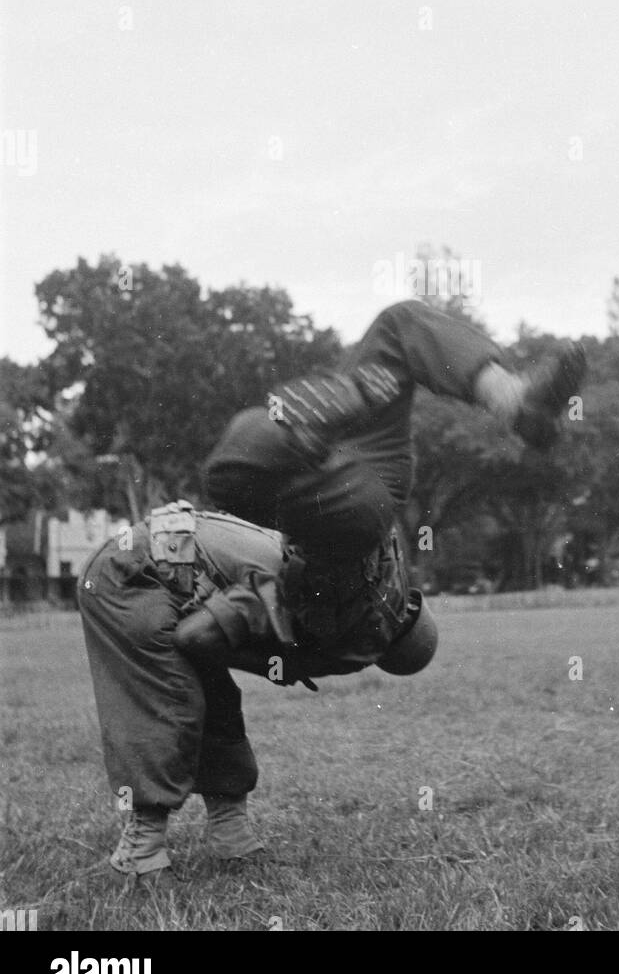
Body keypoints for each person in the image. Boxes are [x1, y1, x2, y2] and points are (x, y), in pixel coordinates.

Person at [78, 299, 586, 879]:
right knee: (390, 335)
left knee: (248, 461)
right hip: (318, 525)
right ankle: (512, 400)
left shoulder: (337, 608)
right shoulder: (343, 633)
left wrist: (238, 613)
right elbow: (208, 630)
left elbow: (203, 631)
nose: (398, 605)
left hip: (162, 562)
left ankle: (162, 840)